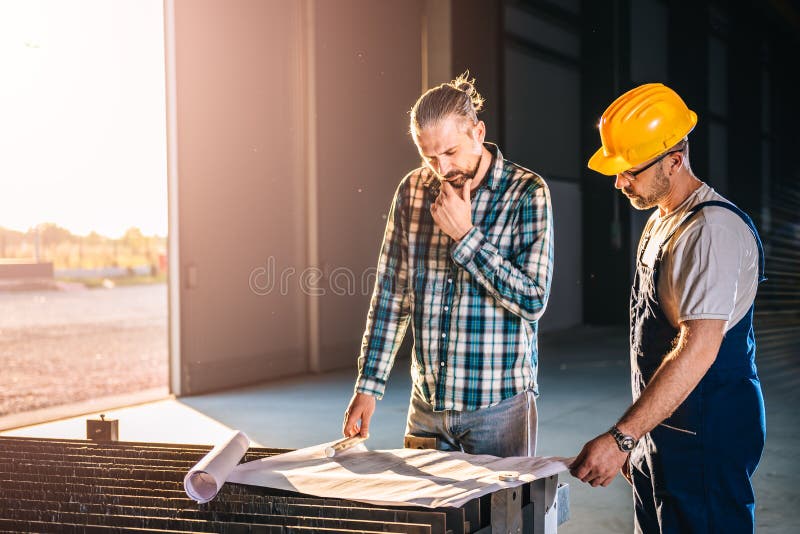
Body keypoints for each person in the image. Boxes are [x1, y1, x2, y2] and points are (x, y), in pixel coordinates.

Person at [570, 83, 766, 533]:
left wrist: (623, 437)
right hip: (666, 430)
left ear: (674, 161)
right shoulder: (663, 217)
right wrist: (641, 437)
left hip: (707, 436)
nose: (620, 182)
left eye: (630, 171)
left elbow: (698, 349)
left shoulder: (710, 231)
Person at [341, 72, 553, 457]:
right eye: (428, 156)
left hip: (500, 408)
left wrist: (467, 237)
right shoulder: (413, 190)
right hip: (426, 409)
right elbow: (391, 297)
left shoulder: (527, 192)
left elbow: (533, 301)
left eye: (450, 152)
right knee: (428, 517)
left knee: (504, 518)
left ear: (477, 131)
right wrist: (368, 386)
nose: (440, 168)